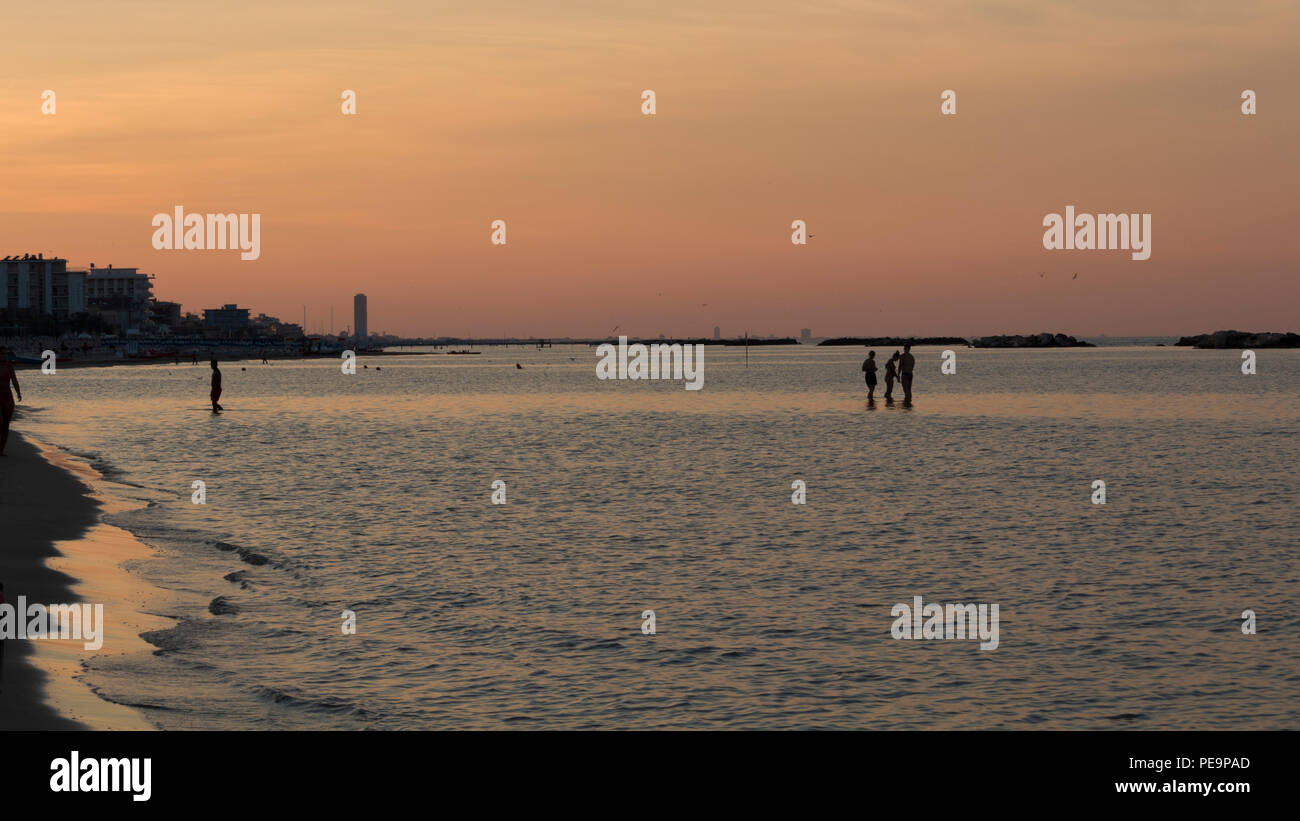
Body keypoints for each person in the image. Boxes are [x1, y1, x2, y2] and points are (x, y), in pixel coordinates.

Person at [0, 346, 21, 456]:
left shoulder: (9, 366)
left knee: (6, 424)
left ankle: (1, 450)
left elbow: (14, 380)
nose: (4, 356)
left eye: (5, 354)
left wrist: (18, 392)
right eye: (2, 354)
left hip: (8, 397)